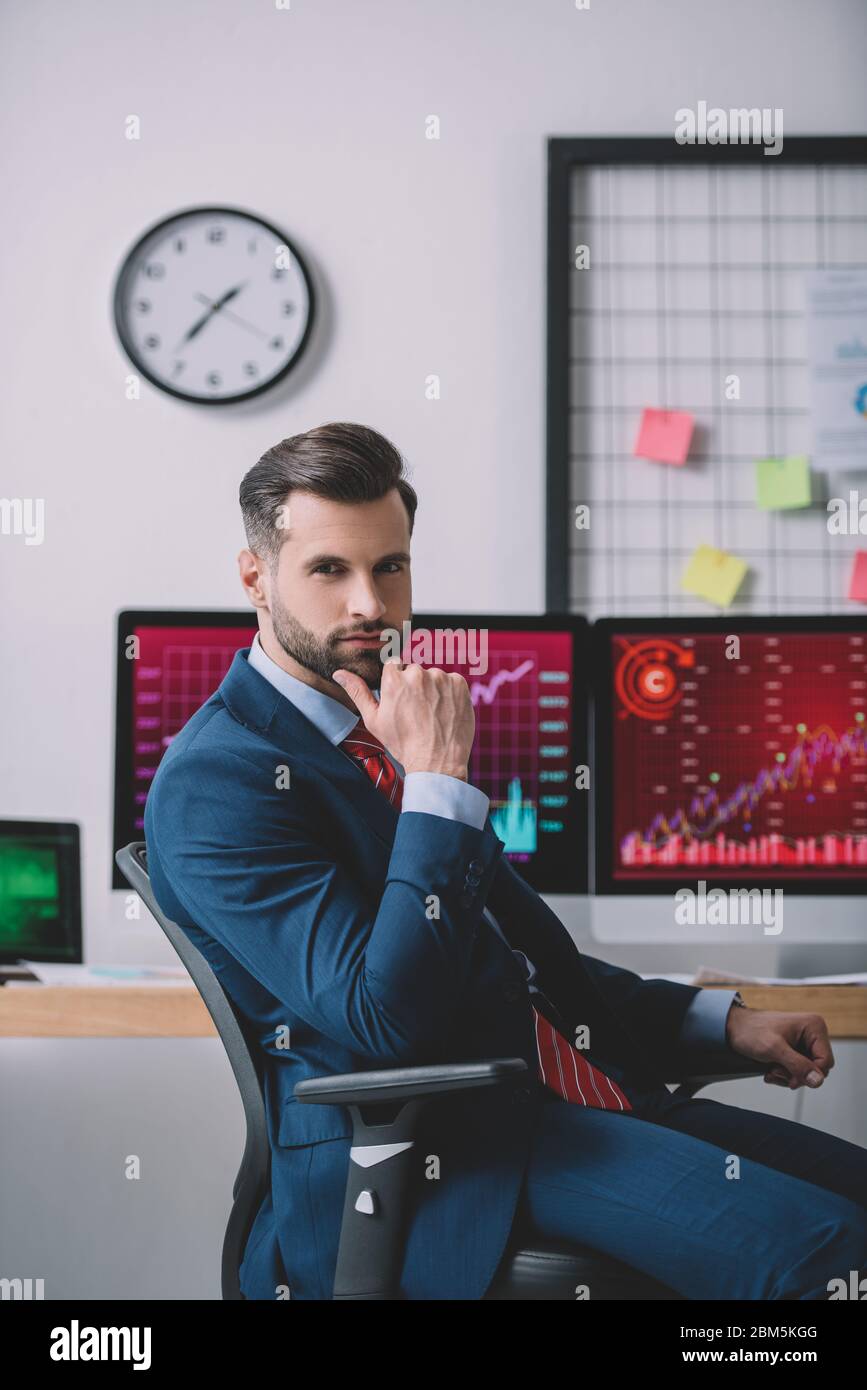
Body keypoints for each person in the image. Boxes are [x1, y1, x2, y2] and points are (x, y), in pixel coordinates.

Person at [144, 422, 867, 1300]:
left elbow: (517, 971)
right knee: (827, 1261)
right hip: (456, 1155)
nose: (371, 603)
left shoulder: (376, 731)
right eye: (329, 570)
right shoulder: (219, 780)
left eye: (391, 567)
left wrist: (716, 1023)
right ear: (256, 576)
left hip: (573, 1106)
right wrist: (437, 781)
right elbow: (384, 1019)